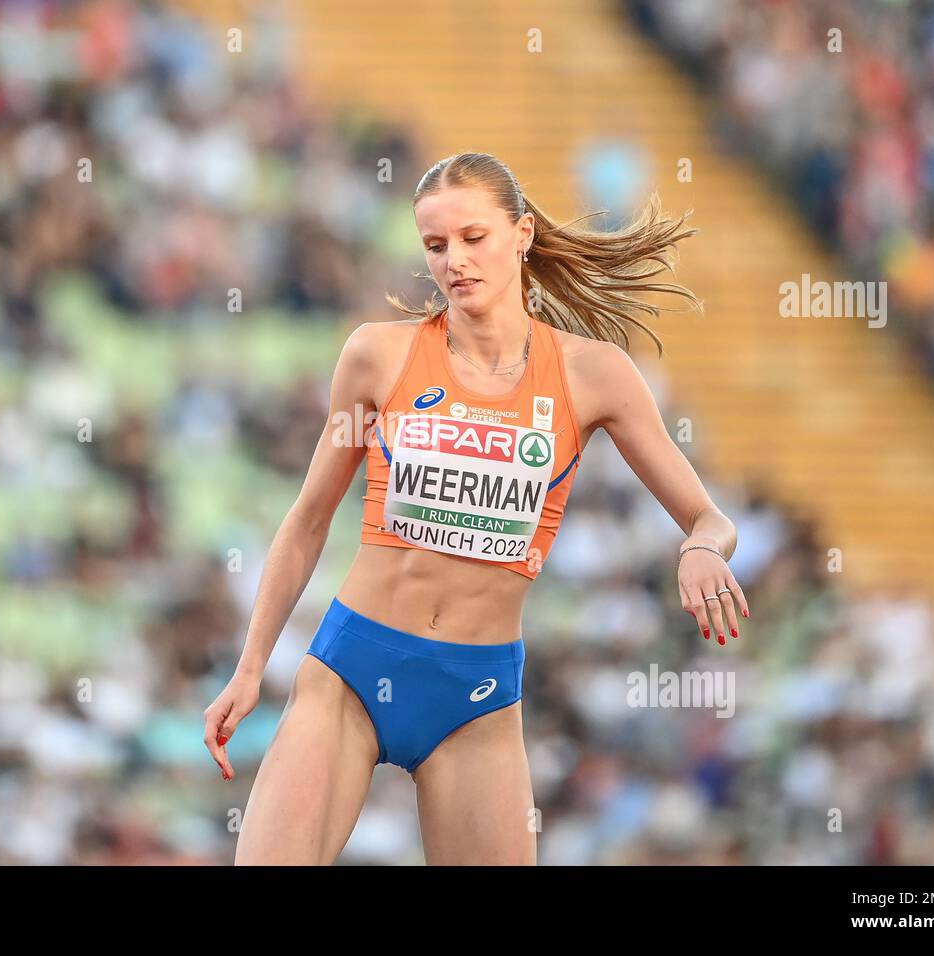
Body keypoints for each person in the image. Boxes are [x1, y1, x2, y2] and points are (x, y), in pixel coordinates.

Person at [204, 151, 750, 865]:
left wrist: (701, 549)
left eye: (472, 238)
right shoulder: (378, 357)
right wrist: (251, 667)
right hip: (352, 670)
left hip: (476, 698)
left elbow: (710, 518)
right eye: (435, 246)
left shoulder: (594, 376)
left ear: (522, 234)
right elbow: (308, 519)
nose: (454, 261)